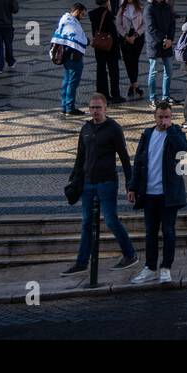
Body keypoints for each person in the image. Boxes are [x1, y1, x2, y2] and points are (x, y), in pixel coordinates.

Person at [61, 93, 137, 275]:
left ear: (105, 109)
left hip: (107, 182)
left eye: (98, 107)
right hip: (87, 183)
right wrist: (74, 178)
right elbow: (80, 156)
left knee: (111, 220)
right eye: (92, 107)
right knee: (86, 223)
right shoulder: (85, 128)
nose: (95, 111)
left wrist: (130, 185)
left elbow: (125, 158)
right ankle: (81, 262)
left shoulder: (113, 128)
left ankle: (130, 254)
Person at [126, 100, 187, 284]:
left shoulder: (176, 132)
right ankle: (150, 267)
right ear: (155, 117)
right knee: (150, 232)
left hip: (168, 194)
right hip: (149, 193)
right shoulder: (147, 134)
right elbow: (138, 162)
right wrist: (132, 187)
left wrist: (171, 130)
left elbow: (184, 150)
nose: (164, 120)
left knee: (168, 231)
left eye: (167, 117)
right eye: (160, 117)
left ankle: (166, 268)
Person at [52, 3, 90, 116]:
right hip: (73, 56)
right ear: (77, 11)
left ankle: (64, 106)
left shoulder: (65, 19)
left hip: (66, 56)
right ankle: (70, 107)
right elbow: (79, 38)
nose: (82, 17)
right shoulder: (72, 23)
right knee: (72, 82)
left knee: (67, 81)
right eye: (82, 14)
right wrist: (88, 41)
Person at [143, 0, 177, 107]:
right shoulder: (149, 8)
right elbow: (151, 28)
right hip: (154, 44)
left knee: (169, 70)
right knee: (153, 71)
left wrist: (170, 39)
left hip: (167, 43)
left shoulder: (167, 7)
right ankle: (152, 97)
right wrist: (164, 39)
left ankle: (166, 96)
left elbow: (172, 23)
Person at [89, 0, 124, 104]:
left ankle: (102, 93)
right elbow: (113, 33)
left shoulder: (93, 14)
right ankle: (115, 94)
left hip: (99, 46)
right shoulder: (108, 14)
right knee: (114, 71)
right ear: (107, 2)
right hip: (110, 46)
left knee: (101, 70)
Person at [117, 0, 146, 101]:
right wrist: (125, 35)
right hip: (125, 38)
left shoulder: (140, 8)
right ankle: (136, 86)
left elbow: (144, 24)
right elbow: (118, 24)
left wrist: (135, 35)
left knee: (134, 61)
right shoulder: (122, 8)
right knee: (128, 62)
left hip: (137, 38)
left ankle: (132, 85)